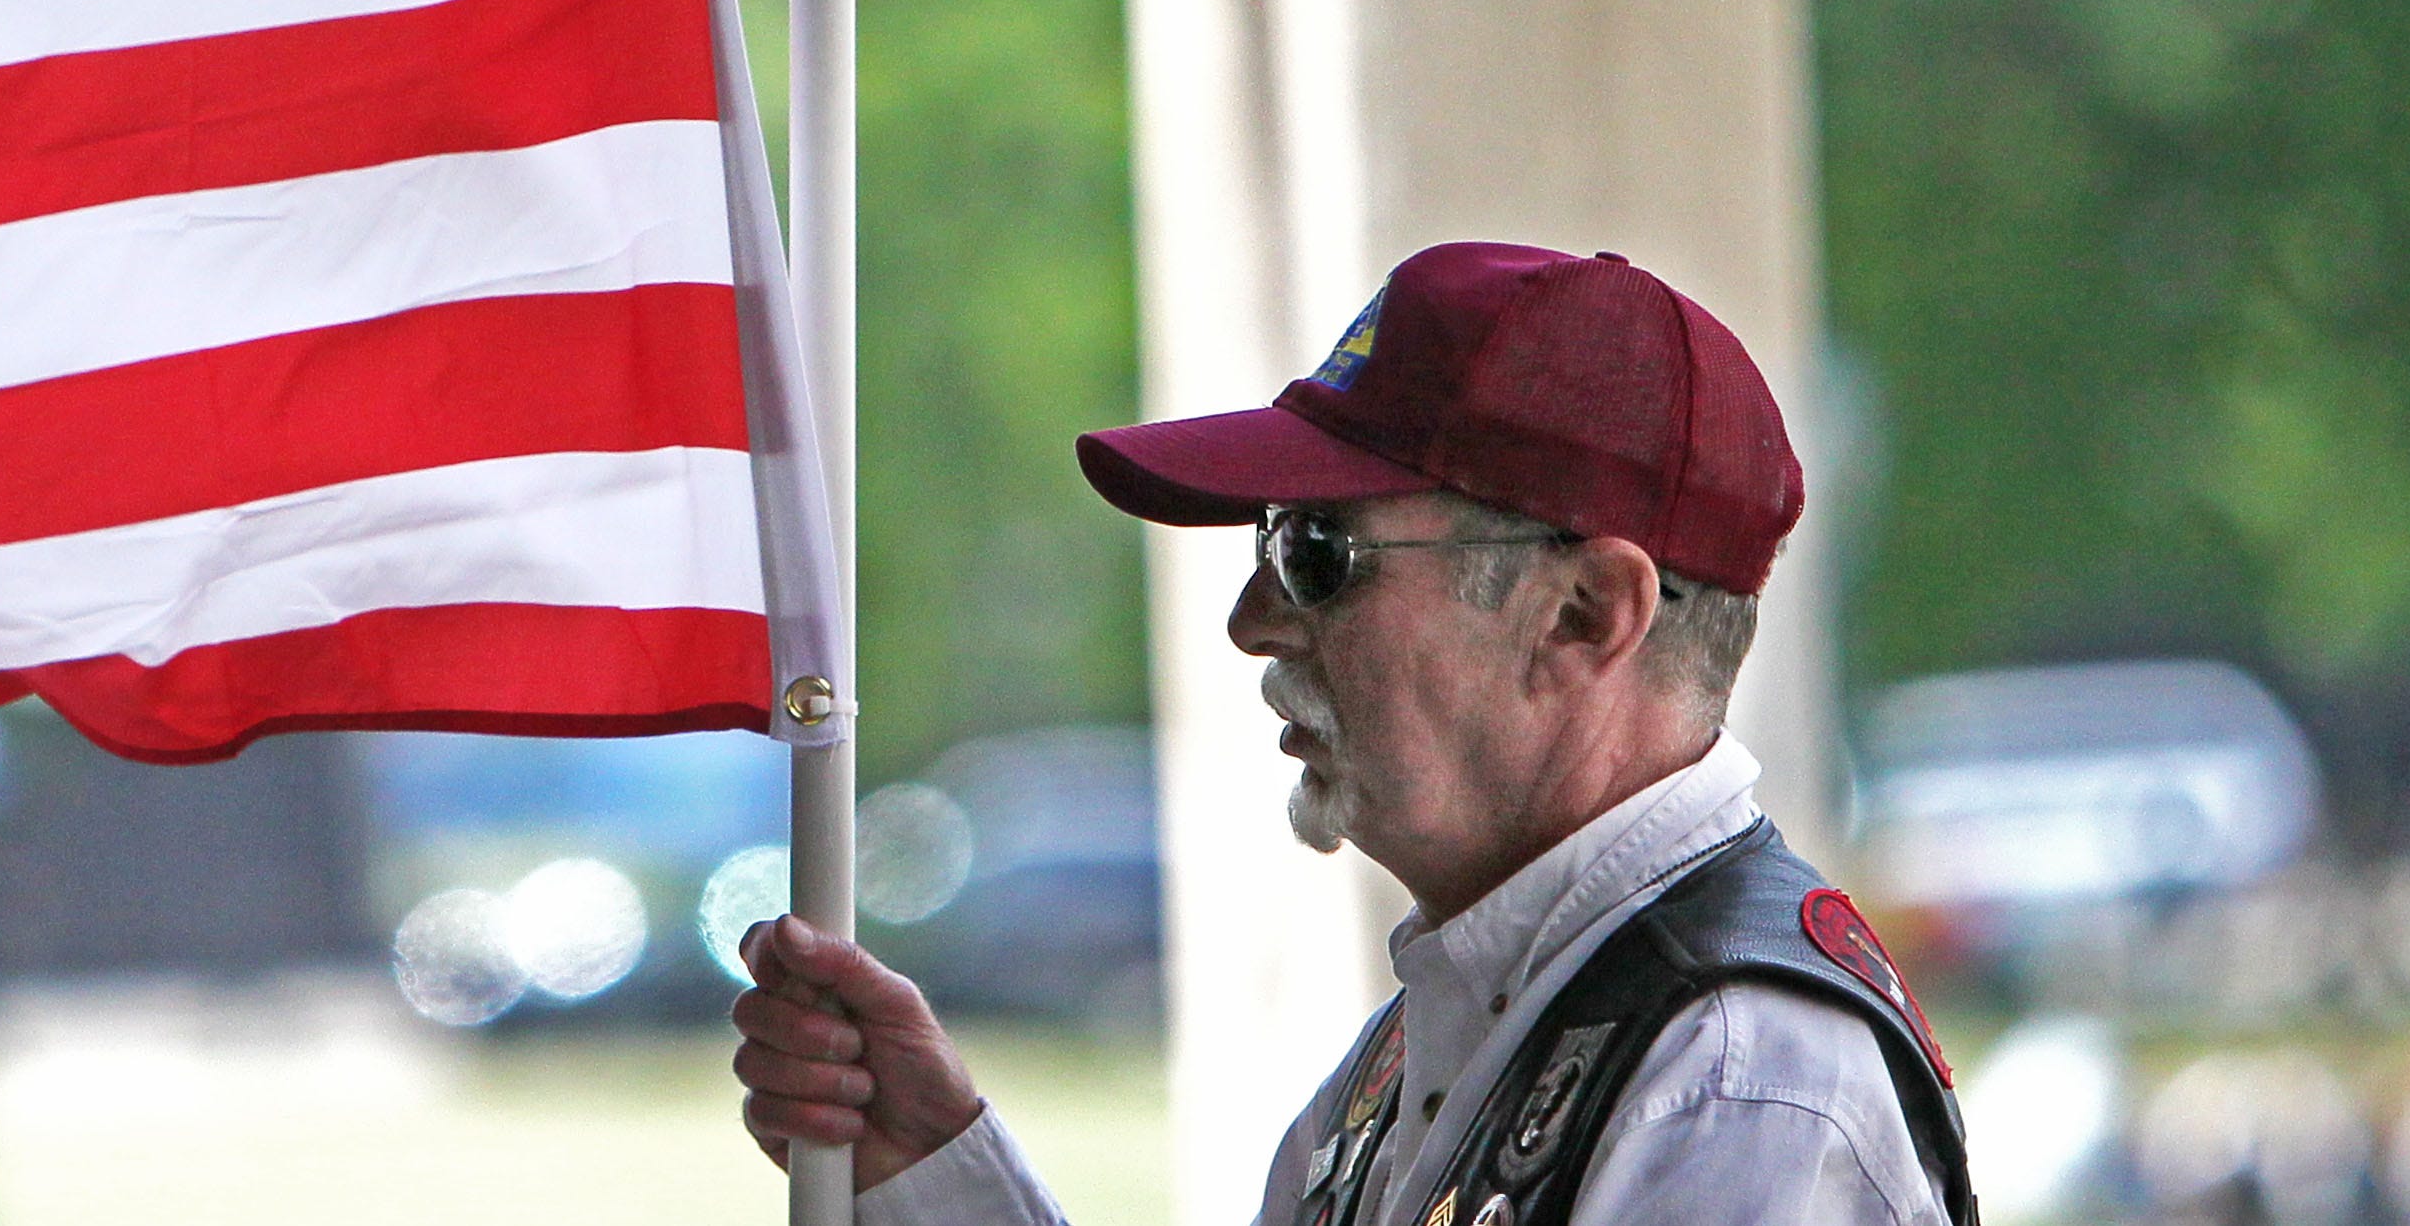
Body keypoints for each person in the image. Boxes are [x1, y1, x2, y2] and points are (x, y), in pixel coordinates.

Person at [730, 241, 1976, 1226]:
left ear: (1587, 611)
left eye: (1320, 554)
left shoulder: (1738, 1078)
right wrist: (932, 1171)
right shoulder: (1479, 1020)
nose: (1254, 620)